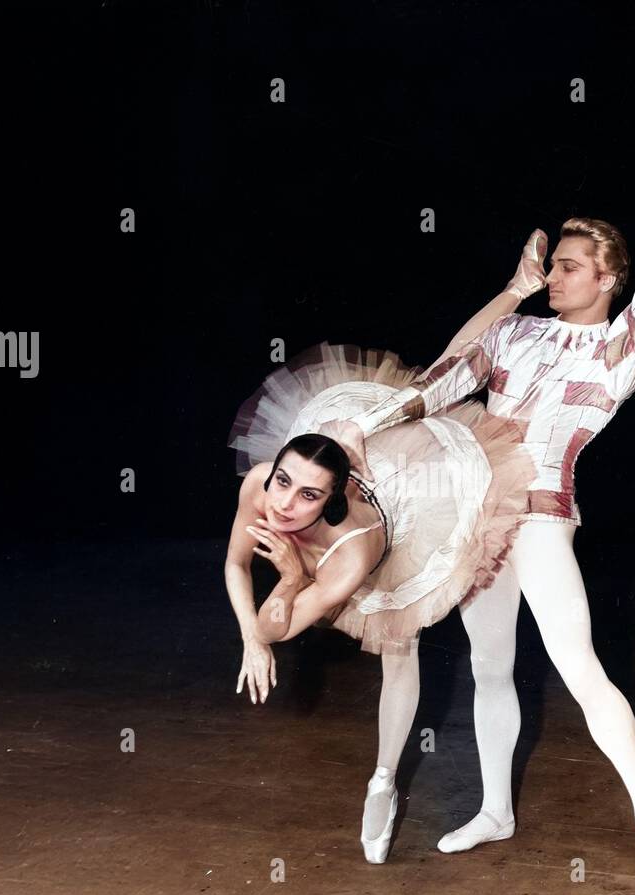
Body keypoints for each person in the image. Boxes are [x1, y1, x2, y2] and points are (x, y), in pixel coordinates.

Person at [328, 98, 635, 887]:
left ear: (607, 278)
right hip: (476, 518)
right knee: (487, 665)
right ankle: (496, 808)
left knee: (579, 664)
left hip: (540, 517)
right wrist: (510, 291)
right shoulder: (515, 331)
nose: (557, 276)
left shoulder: (623, 345)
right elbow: (439, 379)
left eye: (570, 267)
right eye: (555, 263)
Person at [223, 232, 551, 863]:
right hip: (349, 437)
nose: (285, 505)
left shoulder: (355, 550)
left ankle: (382, 780)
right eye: (282, 482)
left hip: (412, 495)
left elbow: (283, 627)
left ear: (331, 501)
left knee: (398, 648)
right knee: (432, 378)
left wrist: (290, 585)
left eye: (306, 497)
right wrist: (248, 635)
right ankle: (515, 289)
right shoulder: (262, 488)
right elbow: (238, 566)